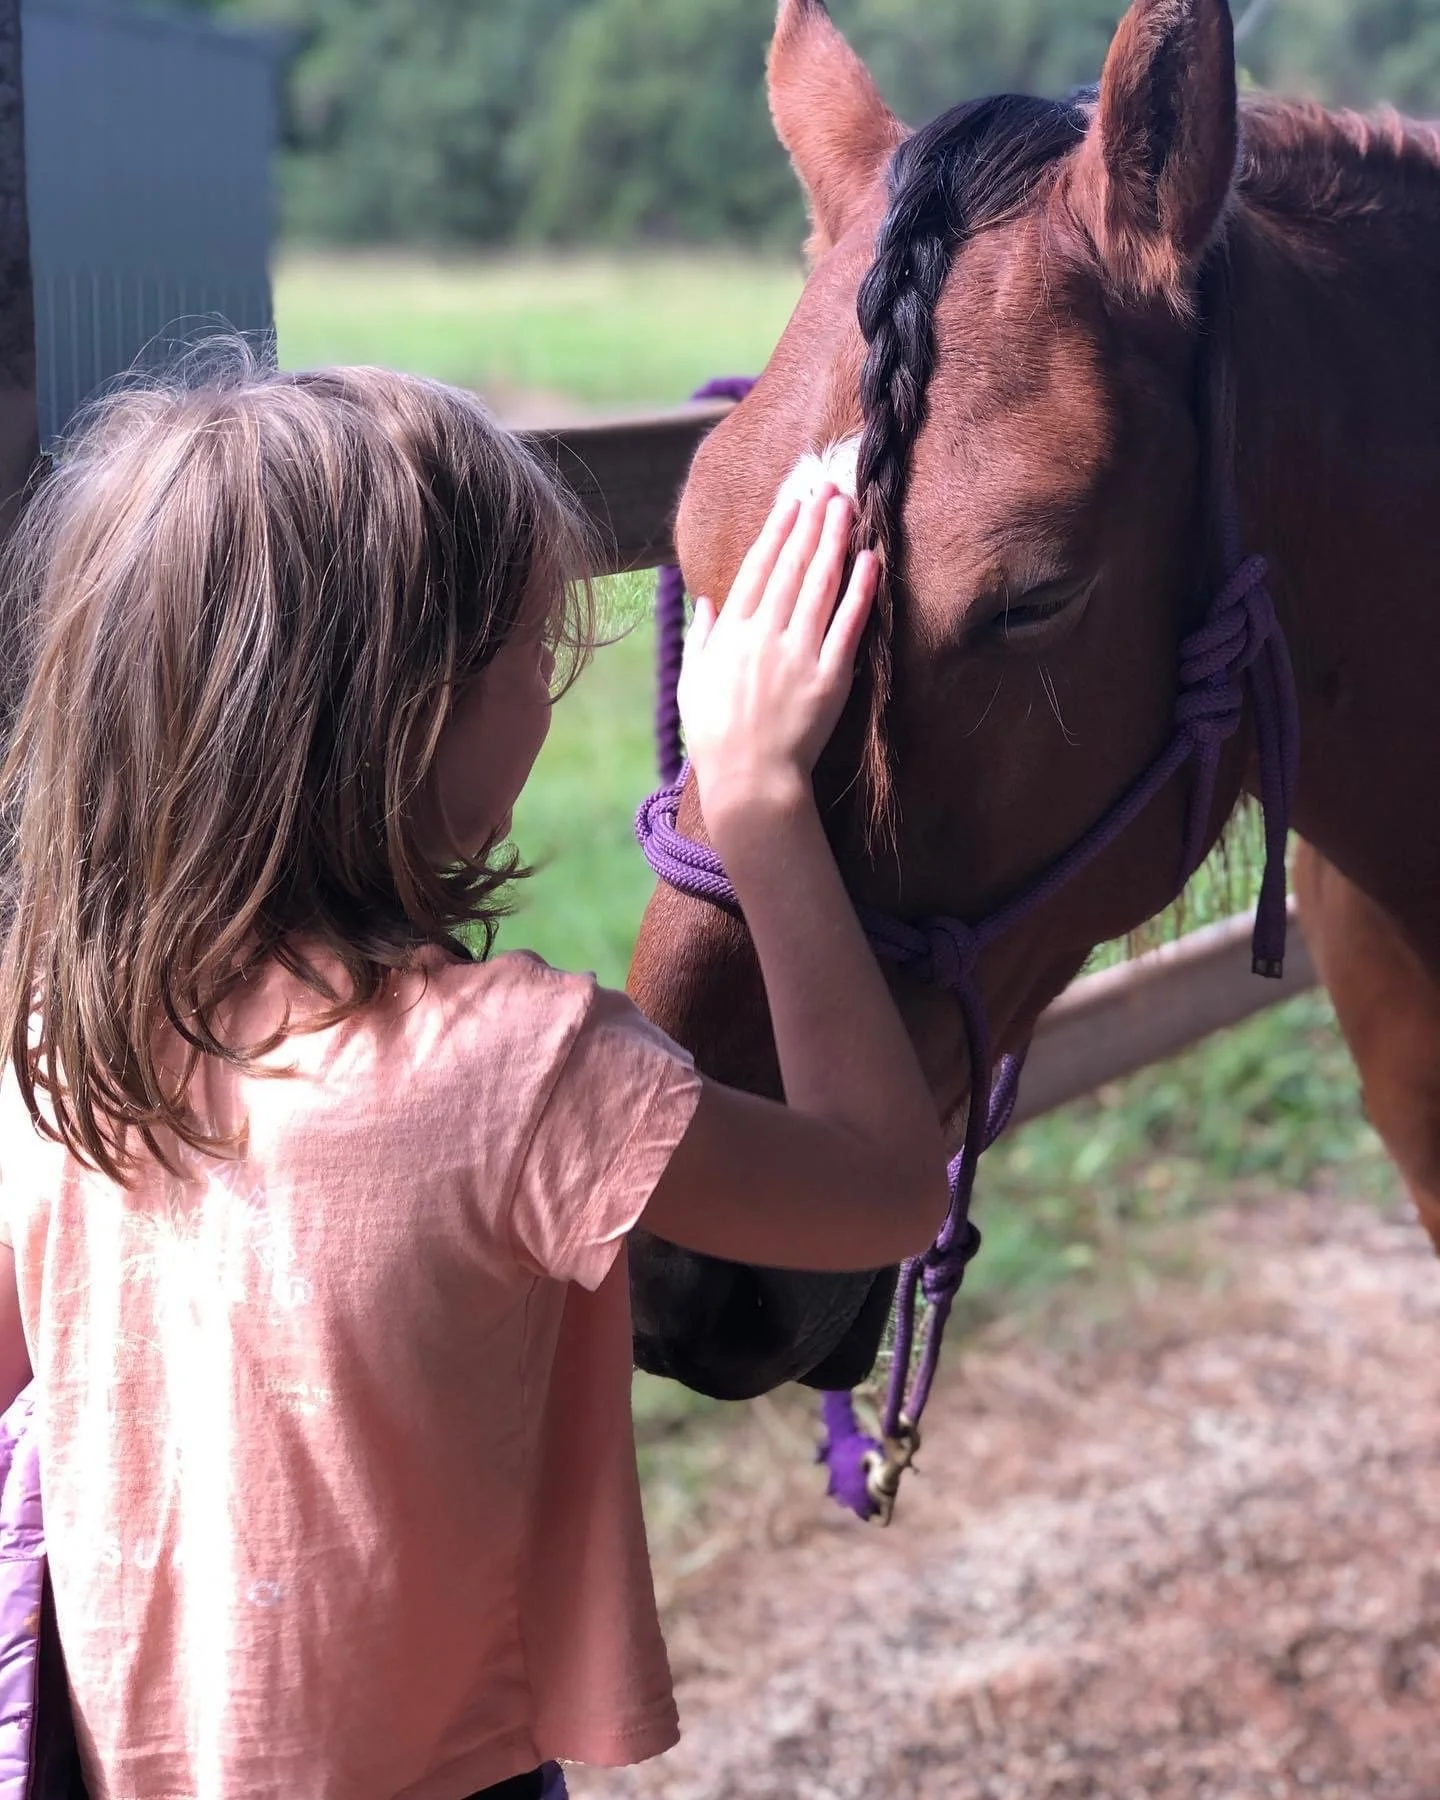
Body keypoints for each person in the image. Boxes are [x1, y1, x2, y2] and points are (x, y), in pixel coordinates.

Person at [0, 361, 948, 1800]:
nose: (552, 693)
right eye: (533, 654)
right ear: (412, 719)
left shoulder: (55, 1041)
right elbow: (882, 1188)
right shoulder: (524, 1075)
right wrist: (754, 796)